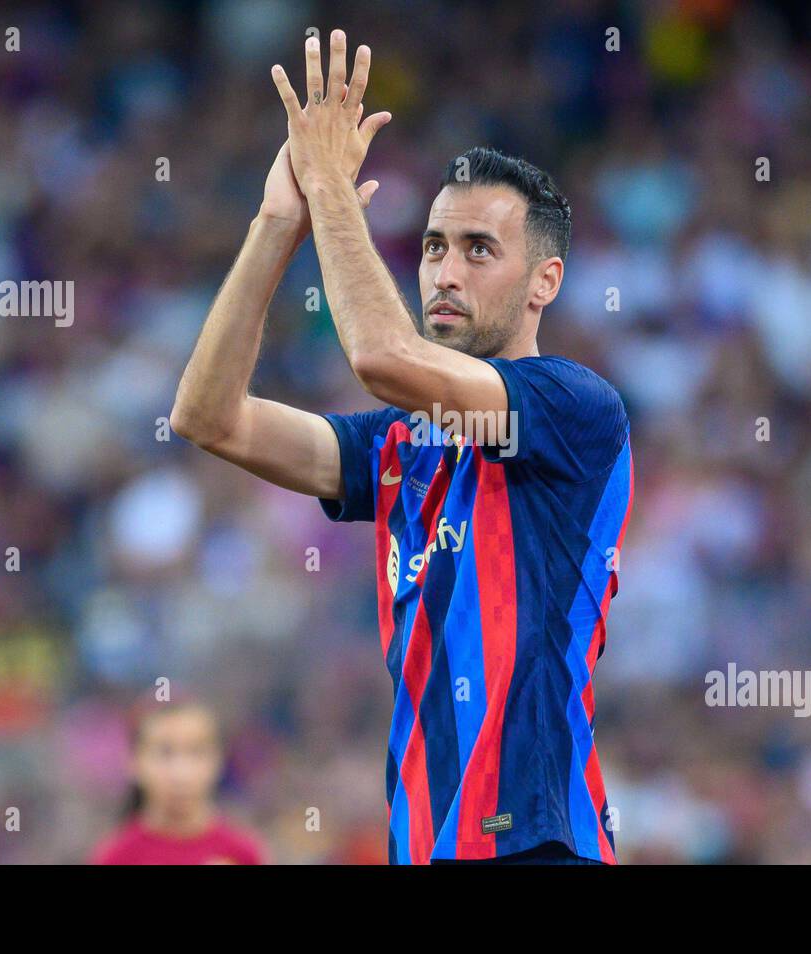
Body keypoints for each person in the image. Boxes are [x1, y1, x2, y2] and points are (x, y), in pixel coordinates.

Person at [171, 30, 632, 865]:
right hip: (421, 843)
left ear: (545, 283)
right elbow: (210, 418)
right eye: (431, 247)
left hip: (534, 841)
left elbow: (383, 356)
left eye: (478, 250)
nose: (444, 273)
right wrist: (280, 219)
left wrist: (331, 193)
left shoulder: (574, 408)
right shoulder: (394, 446)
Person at [90, 698, 267, 865]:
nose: (181, 773)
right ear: (133, 761)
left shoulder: (241, 853)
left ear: (219, 759)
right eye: (164, 753)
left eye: (196, 752)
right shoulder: (117, 856)